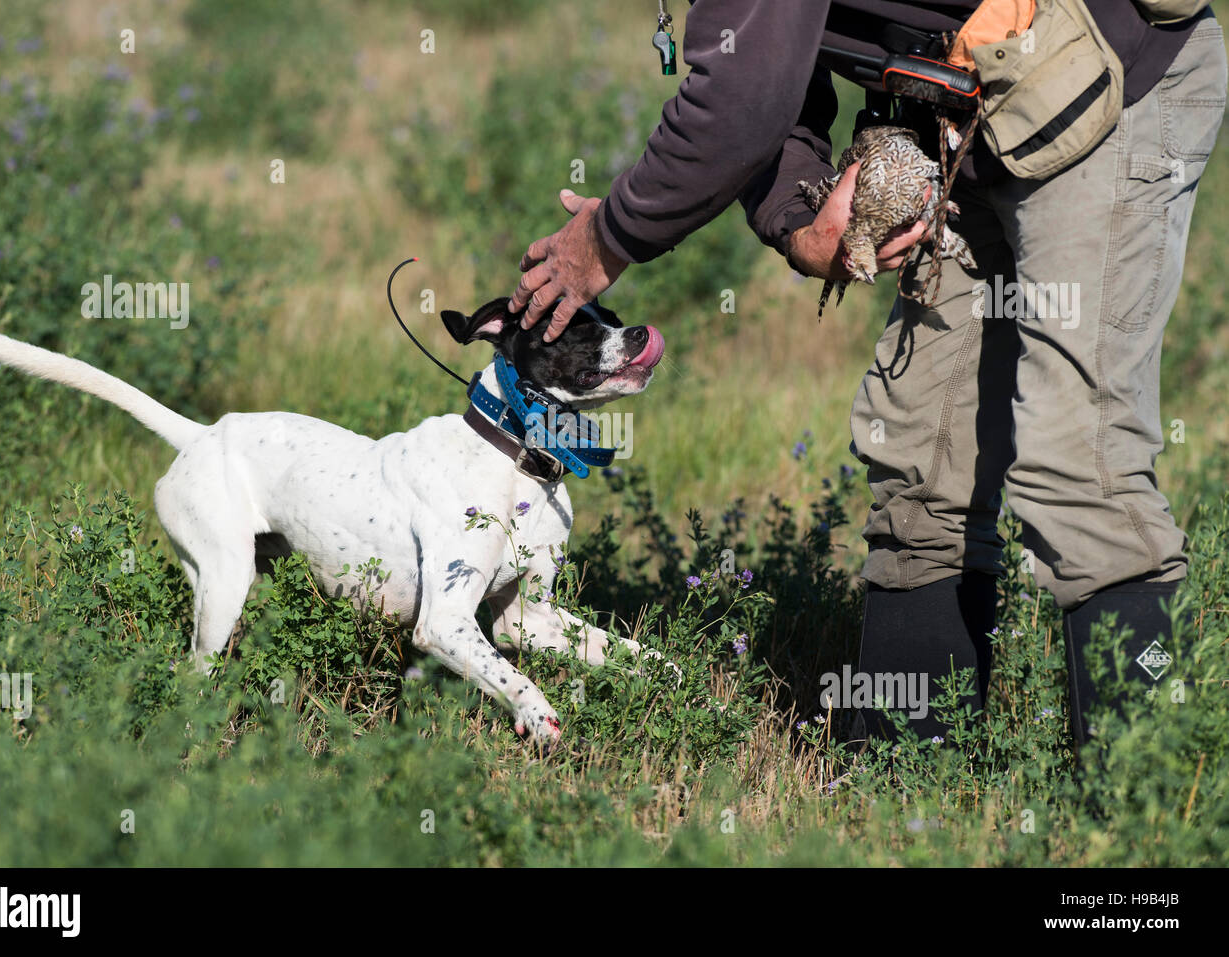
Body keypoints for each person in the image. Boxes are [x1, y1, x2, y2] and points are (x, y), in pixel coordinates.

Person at [506, 1, 1226, 751]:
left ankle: (1146, 812)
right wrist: (795, 217)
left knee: (1079, 462)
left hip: (1112, 82)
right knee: (921, 452)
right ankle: (899, 783)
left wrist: (607, 238)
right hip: (967, 106)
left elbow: (739, 107)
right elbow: (773, 73)